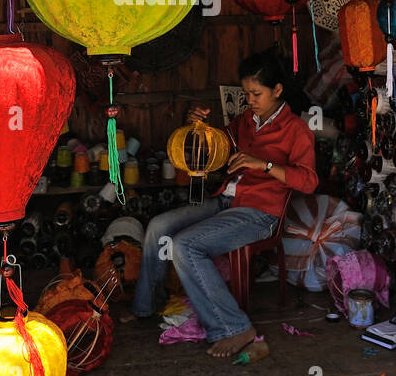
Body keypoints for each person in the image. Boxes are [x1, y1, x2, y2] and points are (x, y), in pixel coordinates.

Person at [128, 51, 319, 360]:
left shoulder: (297, 130)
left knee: (184, 246)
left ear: (278, 90)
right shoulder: (246, 121)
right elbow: (219, 145)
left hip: (259, 212)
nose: (250, 100)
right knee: (159, 227)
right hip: (226, 200)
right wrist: (200, 125)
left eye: (256, 94)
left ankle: (235, 328)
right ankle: (145, 306)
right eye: (246, 94)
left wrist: (264, 164)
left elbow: (309, 181)